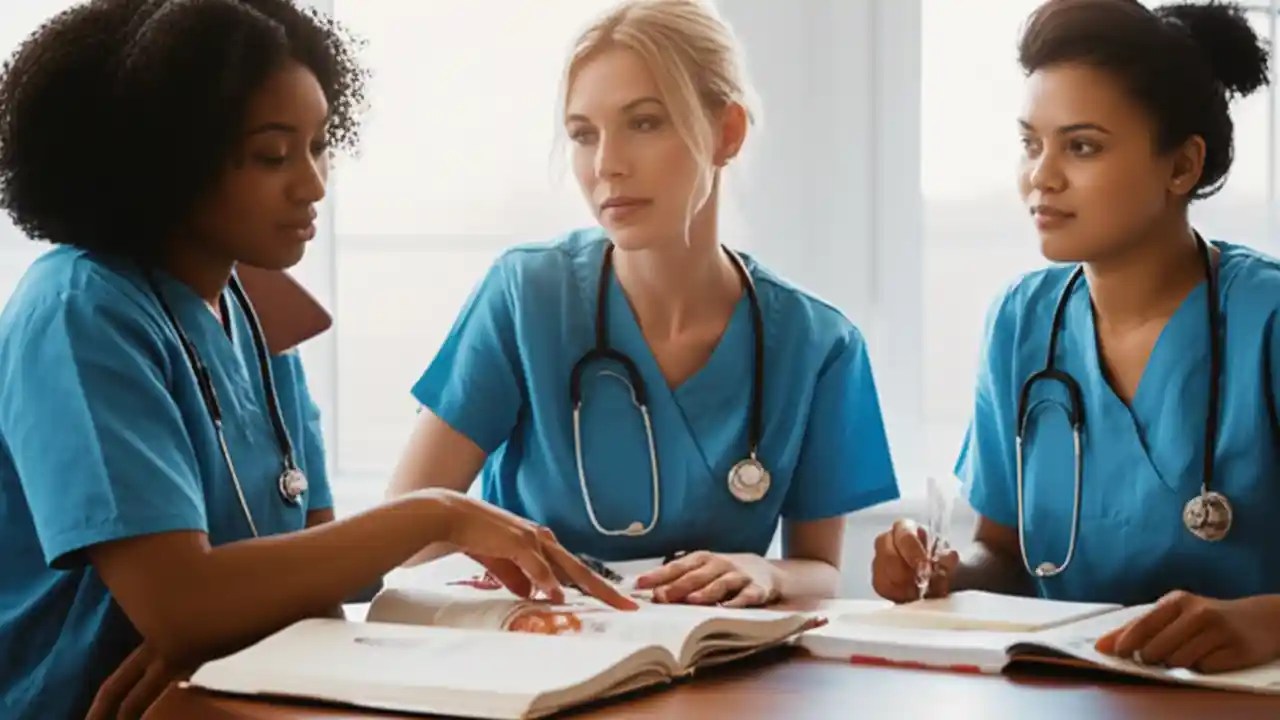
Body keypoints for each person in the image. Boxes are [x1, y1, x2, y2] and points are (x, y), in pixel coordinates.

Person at [0, 2, 632, 718]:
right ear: (169, 159)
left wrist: (227, 628)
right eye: (273, 155)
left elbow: (309, 576)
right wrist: (434, 515)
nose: (313, 185)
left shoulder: (256, 303)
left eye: (318, 145)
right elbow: (180, 605)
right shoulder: (80, 310)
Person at [387, 0, 899, 609]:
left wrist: (768, 574)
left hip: (715, 683)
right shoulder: (526, 298)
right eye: (583, 135)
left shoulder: (817, 345)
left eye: (645, 123)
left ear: (726, 133)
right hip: (539, 656)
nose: (607, 164)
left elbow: (819, 567)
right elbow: (402, 536)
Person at [871, 0, 1278, 673]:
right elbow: (1003, 556)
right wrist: (940, 573)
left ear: (1181, 167)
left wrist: (1266, 623)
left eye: (1081, 146)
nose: (1042, 176)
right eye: (1032, 143)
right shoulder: (1021, 322)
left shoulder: (1267, 319)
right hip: (1068, 692)